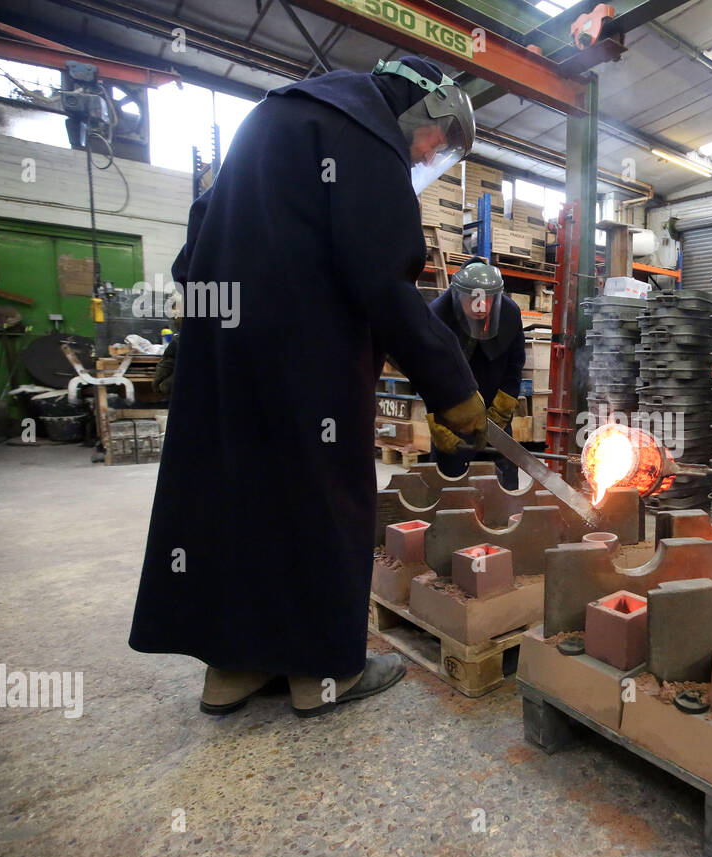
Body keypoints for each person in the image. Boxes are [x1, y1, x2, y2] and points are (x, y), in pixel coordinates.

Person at [129, 55, 486, 718]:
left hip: (224, 355)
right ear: (422, 110)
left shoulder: (271, 117)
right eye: (436, 142)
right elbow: (384, 283)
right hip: (307, 356)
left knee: (238, 495)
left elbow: (195, 238)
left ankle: (232, 667)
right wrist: (453, 388)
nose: (426, 154)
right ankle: (322, 675)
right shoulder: (368, 136)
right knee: (323, 499)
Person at [426, 258, 525, 489]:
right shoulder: (438, 315)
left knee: (504, 486)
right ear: (459, 296)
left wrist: (501, 411)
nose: (480, 306)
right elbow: (428, 374)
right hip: (453, 414)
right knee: (451, 486)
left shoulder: (510, 314)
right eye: (472, 300)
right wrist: (436, 416)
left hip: (495, 415)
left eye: (488, 300)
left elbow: (515, 365)